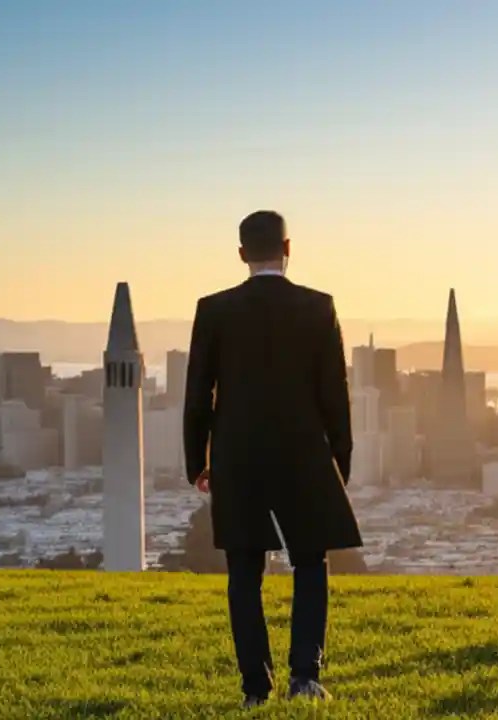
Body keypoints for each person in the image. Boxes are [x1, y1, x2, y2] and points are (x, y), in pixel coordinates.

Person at [184, 210, 363, 708]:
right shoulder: (318, 307)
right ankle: (305, 676)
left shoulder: (213, 310)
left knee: (244, 573)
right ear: (288, 248)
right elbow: (335, 394)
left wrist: (197, 461)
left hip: (237, 457)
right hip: (304, 455)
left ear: (242, 254)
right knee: (310, 563)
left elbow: (198, 395)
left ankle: (254, 689)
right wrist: (339, 461)